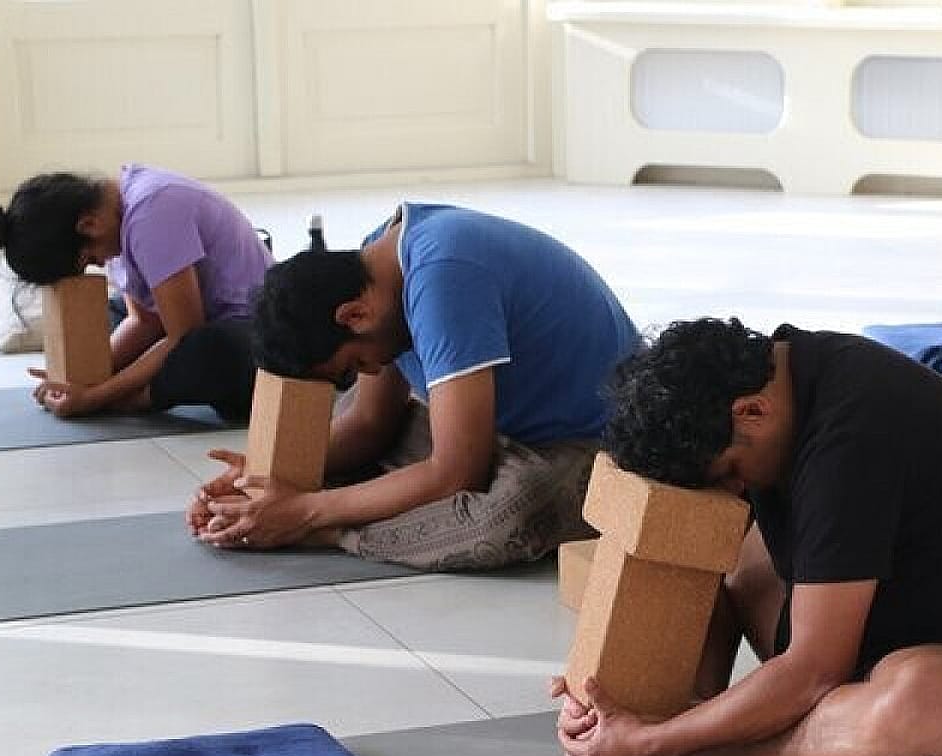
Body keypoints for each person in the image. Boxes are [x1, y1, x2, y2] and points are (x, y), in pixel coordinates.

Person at [552, 318, 942, 756]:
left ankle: (717, 747)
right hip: (841, 626)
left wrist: (654, 744)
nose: (734, 488)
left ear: (751, 411)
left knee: (921, 706)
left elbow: (816, 669)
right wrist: (609, 682)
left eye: (731, 471)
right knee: (700, 540)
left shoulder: (853, 437)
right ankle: (691, 712)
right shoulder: (781, 370)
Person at [187, 202, 639, 571]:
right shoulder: (378, 263)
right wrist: (268, 476)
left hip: (585, 439)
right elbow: (369, 425)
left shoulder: (444, 277)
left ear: (353, 316)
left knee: (506, 516)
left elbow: (456, 472)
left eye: (357, 363)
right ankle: (304, 510)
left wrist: (305, 512)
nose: (367, 371)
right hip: (491, 425)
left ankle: (322, 528)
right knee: (355, 434)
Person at [0, 164, 271, 420]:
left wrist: (95, 397)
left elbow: (184, 335)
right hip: (192, 324)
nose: (100, 264)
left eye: (90, 260)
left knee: (205, 350)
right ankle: (141, 387)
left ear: (88, 225)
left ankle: (135, 399)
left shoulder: (151, 214)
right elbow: (145, 321)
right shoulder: (113, 215)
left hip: (247, 331)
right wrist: (82, 377)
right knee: (112, 312)